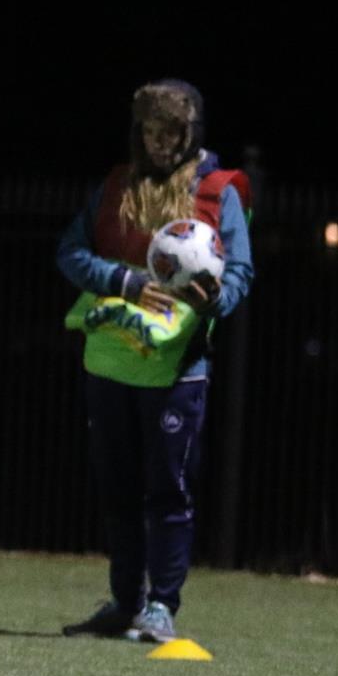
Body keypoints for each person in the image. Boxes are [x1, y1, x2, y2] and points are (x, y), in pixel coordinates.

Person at [56, 80, 254, 644]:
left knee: (168, 490)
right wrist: (125, 281)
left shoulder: (217, 193)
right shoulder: (117, 185)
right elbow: (69, 252)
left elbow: (239, 271)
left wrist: (216, 297)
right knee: (117, 487)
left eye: (171, 132)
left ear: (190, 135)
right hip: (113, 360)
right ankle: (125, 602)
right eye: (151, 130)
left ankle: (162, 606)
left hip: (178, 368)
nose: (160, 142)